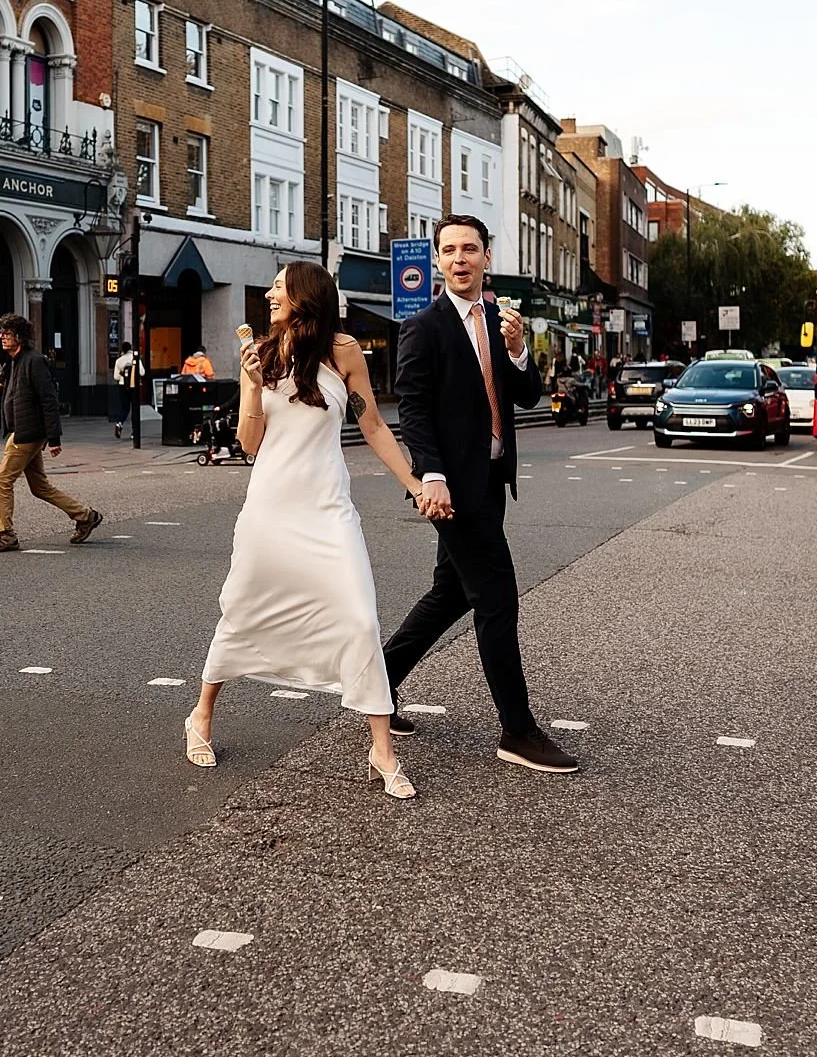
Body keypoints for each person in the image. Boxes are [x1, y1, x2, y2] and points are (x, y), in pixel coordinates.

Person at [184, 263, 422, 798]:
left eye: (278, 285)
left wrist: (415, 482)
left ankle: (381, 749)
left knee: (359, 617)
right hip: (270, 511)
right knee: (243, 610)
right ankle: (201, 714)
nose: (269, 293)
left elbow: (374, 425)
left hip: (327, 510)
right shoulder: (262, 355)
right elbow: (249, 446)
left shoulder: (345, 352)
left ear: (306, 295)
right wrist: (249, 384)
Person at [381, 215, 578, 774]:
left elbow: (526, 398)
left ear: (486, 257)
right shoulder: (424, 326)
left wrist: (518, 351)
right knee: (497, 600)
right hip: (454, 490)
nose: (460, 258)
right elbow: (413, 410)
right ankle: (517, 730)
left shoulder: (499, 320)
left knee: (450, 593)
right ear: (438, 262)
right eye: (449, 251)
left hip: (491, 482)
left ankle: (377, 685)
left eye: (470, 248)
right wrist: (431, 476)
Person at [0, 313, 102, 552]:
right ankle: (85, 516)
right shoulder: (13, 361)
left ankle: (5, 534)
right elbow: (15, 392)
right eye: (2, 333)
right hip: (23, 430)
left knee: (2, 481)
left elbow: (49, 400)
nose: (2, 337)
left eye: (8, 333)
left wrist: (55, 437)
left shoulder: (35, 361)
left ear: (20, 337)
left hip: (28, 433)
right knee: (39, 487)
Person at [111, 342, 143, 439]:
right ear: (130, 348)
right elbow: (142, 372)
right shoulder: (135, 358)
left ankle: (119, 423)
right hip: (134, 386)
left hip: (122, 386)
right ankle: (134, 432)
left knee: (124, 408)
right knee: (135, 409)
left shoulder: (119, 361)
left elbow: (116, 377)